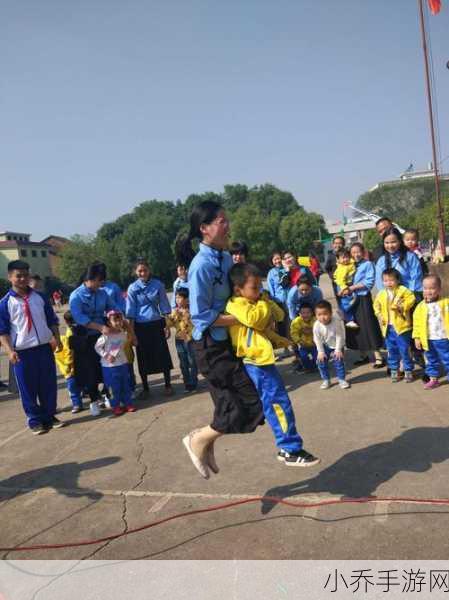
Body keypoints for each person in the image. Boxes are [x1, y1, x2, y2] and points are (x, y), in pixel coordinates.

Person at [176, 200, 265, 479]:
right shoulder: (200, 266)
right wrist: (243, 319)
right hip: (210, 348)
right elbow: (201, 316)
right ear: (204, 229)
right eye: (221, 221)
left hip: (228, 343)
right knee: (248, 404)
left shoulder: (225, 258)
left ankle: (205, 441)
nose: (227, 226)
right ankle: (199, 440)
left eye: (227, 220)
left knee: (238, 406)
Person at [226, 263, 320, 467]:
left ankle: (289, 445)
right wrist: (263, 302)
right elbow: (256, 321)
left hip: (262, 359)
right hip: (254, 362)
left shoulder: (257, 300)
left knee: (276, 403)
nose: (259, 291)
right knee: (278, 403)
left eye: (260, 287)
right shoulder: (236, 304)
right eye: (254, 288)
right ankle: (289, 448)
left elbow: (278, 316)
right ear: (238, 289)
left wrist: (281, 339)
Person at [0, 260, 64, 435]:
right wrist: (9, 351)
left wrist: (57, 338)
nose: (22, 279)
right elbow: (3, 331)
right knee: (28, 388)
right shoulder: (5, 303)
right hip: (22, 352)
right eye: (18, 276)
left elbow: (52, 320)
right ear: (10, 277)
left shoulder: (40, 297)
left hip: (44, 348)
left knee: (48, 385)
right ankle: (35, 420)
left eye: (25, 275)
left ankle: (50, 416)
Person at [69, 262, 119, 406]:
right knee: (89, 369)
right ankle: (93, 399)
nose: (101, 283)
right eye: (99, 280)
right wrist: (99, 327)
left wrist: (116, 319)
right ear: (90, 279)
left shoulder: (102, 293)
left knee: (106, 364)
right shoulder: (76, 296)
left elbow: (113, 308)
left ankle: (107, 394)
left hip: (102, 335)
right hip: (86, 337)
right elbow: (79, 318)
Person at [126, 259, 174, 398]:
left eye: (145, 270)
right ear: (135, 272)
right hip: (141, 327)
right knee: (143, 357)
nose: (142, 273)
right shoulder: (132, 288)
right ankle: (146, 388)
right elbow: (131, 312)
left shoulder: (158, 285)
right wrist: (132, 333)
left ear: (149, 270)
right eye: (140, 271)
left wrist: (167, 326)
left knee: (163, 354)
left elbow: (164, 305)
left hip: (157, 324)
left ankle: (168, 385)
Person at [344, 243, 385, 368]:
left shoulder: (368, 264)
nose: (356, 254)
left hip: (363, 298)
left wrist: (352, 287)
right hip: (350, 299)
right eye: (353, 252)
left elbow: (369, 282)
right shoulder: (349, 265)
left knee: (369, 326)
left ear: (363, 252)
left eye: (358, 251)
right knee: (355, 328)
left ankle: (379, 357)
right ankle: (363, 356)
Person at [373, 268, 416, 383]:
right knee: (391, 351)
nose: (388, 283)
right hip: (388, 328)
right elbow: (376, 305)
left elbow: (412, 299)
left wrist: (403, 306)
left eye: (391, 280)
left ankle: (408, 371)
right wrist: (379, 314)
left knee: (405, 350)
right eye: (386, 281)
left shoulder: (403, 290)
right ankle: (394, 370)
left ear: (397, 280)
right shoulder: (381, 293)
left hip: (402, 328)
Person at [95, 310, 136, 415]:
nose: (118, 323)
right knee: (113, 388)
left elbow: (124, 345)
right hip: (109, 367)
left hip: (122, 364)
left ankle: (128, 403)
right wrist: (106, 355)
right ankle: (116, 406)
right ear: (109, 323)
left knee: (125, 384)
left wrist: (132, 337)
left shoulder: (123, 334)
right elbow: (97, 347)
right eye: (115, 321)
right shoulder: (105, 336)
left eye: (120, 320)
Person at [413, 274, 449, 390]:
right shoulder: (420, 307)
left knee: (447, 358)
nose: (428, 291)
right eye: (425, 288)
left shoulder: (445, 302)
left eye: (432, 288)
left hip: (443, 338)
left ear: (439, 289)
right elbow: (417, 324)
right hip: (427, 340)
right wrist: (417, 337)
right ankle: (433, 379)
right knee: (431, 361)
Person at [166, 287, 198, 392]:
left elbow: (196, 323)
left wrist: (186, 315)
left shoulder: (192, 310)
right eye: (176, 298)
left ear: (187, 299)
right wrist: (169, 318)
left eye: (179, 298)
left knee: (192, 361)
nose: (177, 300)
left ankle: (193, 383)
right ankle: (187, 384)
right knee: (183, 363)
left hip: (190, 340)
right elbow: (169, 324)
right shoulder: (175, 311)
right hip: (179, 340)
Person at [313, 300, 350, 390]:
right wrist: (320, 352)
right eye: (319, 315)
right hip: (325, 344)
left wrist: (338, 350)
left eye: (325, 314)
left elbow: (339, 336)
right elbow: (317, 339)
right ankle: (326, 380)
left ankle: (341, 379)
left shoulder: (335, 322)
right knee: (321, 361)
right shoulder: (316, 325)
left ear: (330, 313)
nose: (322, 317)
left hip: (337, 344)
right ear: (316, 315)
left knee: (338, 361)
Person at [375, 227, 423, 294]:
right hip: (389, 298)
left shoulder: (410, 257)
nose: (390, 246)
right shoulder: (381, 261)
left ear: (400, 241)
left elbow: (416, 278)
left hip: (409, 295)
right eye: (387, 243)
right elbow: (379, 282)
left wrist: (408, 295)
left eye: (393, 242)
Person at [54, 311, 84, 414]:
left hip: (70, 367)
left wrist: (68, 364)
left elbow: (69, 352)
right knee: (76, 385)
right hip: (69, 367)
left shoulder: (67, 336)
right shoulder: (67, 333)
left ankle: (77, 404)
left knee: (73, 386)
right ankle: (79, 402)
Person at [333, 249, 357, 327]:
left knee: (350, 301)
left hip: (347, 285)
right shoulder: (342, 268)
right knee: (346, 302)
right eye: (343, 258)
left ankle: (345, 314)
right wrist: (344, 288)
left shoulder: (349, 264)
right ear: (338, 260)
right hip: (343, 285)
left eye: (347, 257)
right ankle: (348, 319)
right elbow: (340, 280)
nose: (345, 259)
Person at [290, 303, 317, 372]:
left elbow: (320, 331)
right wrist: (298, 341)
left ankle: (315, 366)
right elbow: (294, 333)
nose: (306, 315)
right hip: (303, 344)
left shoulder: (316, 320)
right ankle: (307, 367)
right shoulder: (296, 322)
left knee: (317, 356)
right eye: (303, 313)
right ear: (299, 313)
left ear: (312, 313)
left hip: (314, 344)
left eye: (308, 312)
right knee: (303, 357)